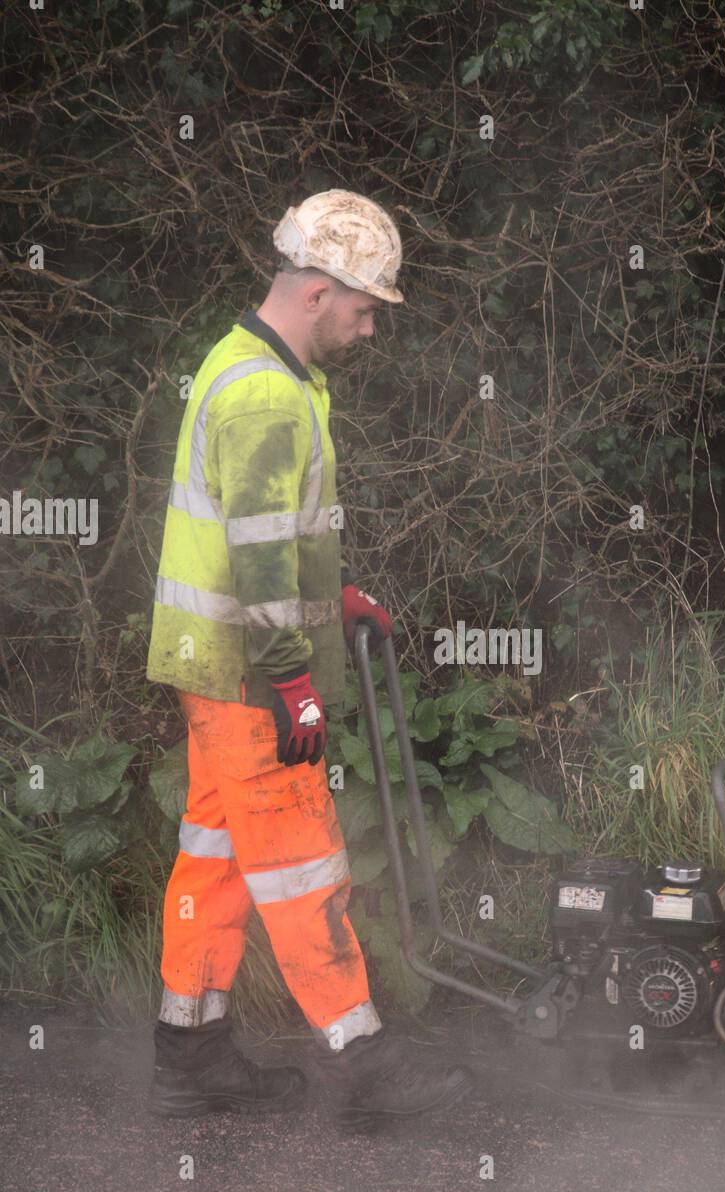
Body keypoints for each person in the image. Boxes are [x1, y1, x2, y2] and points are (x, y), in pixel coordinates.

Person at [145, 190, 472, 1121]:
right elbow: (255, 554)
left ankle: (190, 1050)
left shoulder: (245, 362)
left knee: (214, 855)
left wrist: (331, 600)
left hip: (211, 661)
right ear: (319, 291)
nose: (371, 330)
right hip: (251, 672)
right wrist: (292, 673)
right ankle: (363, 1062)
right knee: (300, 858)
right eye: (367, 310)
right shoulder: (266, 396)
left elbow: (267, 536)